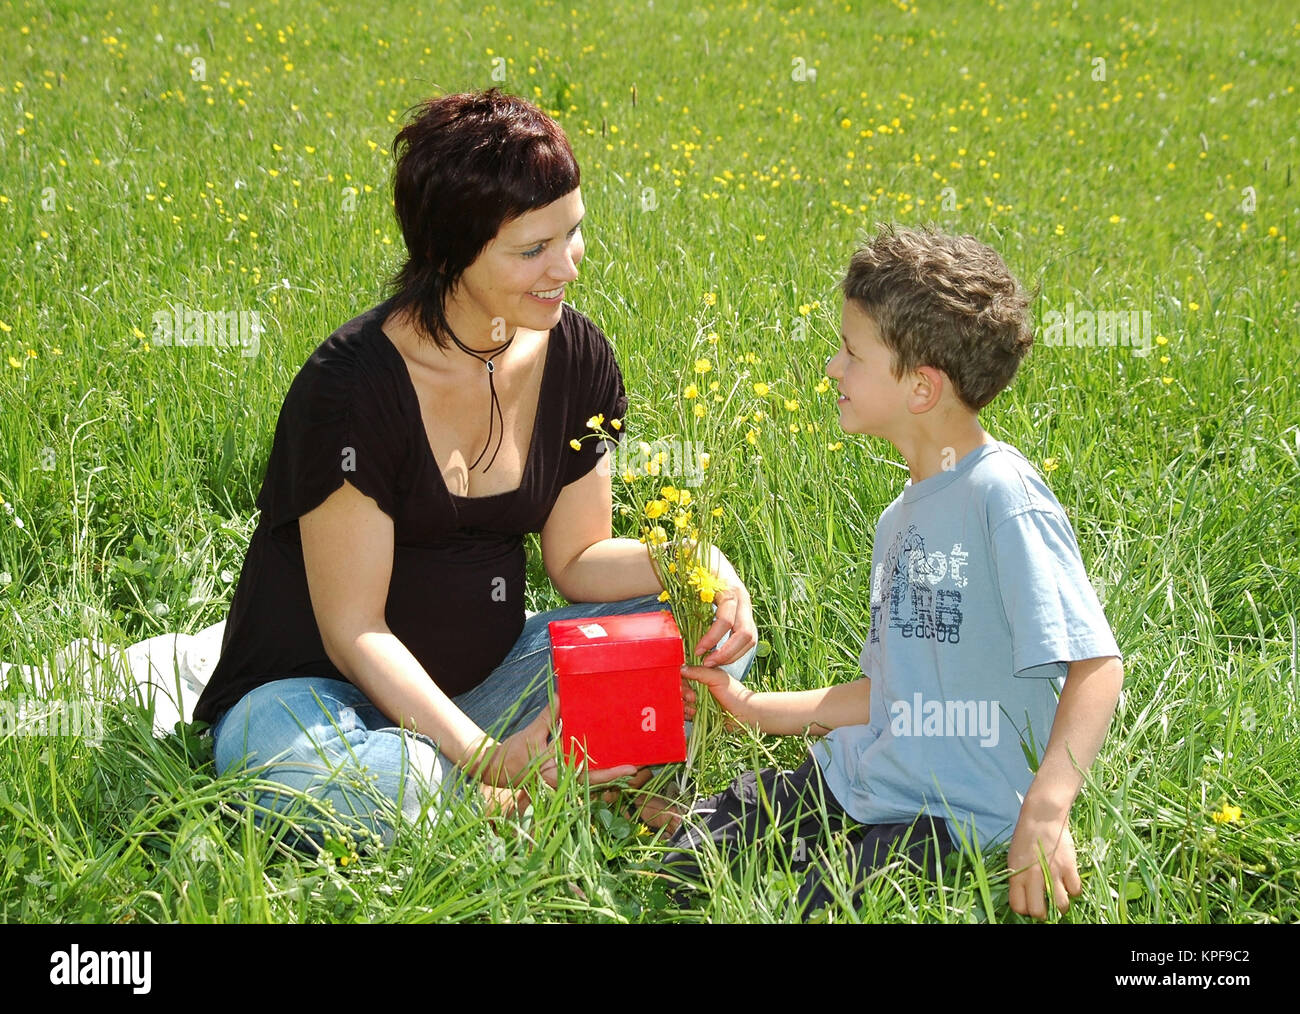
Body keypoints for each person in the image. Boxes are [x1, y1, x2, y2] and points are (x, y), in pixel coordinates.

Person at [193, 89, 757, 845]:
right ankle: (530, 797)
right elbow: (355, 632)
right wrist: (490, 759)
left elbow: (578, 560)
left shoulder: (577, 358)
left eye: (573, 232)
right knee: (314, 772)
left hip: (491, 685)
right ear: (447, 252)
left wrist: (694, 563)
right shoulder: (352, 389)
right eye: (532, 250)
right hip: (318, 701)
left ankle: (513, 796)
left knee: (694, 627)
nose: (568, 266)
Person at [666, 225, 1123, 919]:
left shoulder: (1002, 496)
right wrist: (753, 707)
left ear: (921, 387)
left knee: (827, 907)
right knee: (691, 859)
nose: (832, 368)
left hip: (948, 816)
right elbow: (889, 694)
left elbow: (1097, 668)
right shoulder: (898, 520)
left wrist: (1047, 806)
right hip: (861, 779)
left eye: (852, 353)